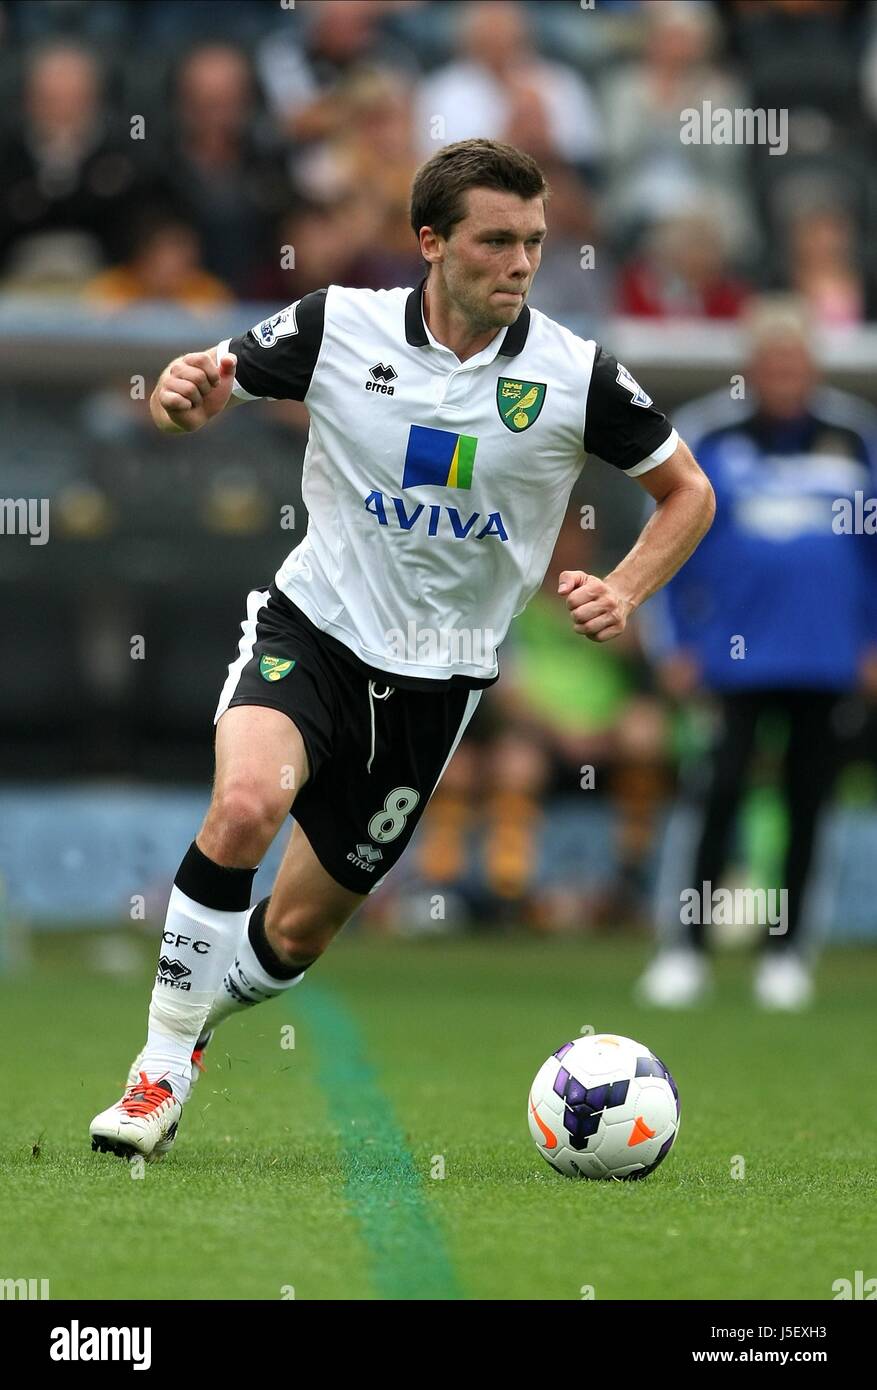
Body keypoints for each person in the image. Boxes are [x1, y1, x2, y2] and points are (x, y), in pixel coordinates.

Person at [89, 138, 714, 1163]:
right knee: (247, 804)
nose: (520, 263)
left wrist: (626, 586)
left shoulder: (574, 374)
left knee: (292, 936)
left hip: (438, 680)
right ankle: (155, 1073)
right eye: (496, 241)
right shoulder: (340, 322)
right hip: (314, 628)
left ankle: (189, 1023)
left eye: (535, 243)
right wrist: (177, 398)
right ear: (430, 242)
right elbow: (206, 387)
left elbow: (686, 491)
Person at [637, 297, 877, 1010]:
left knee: (811, 804)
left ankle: (787, 953)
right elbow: (667, 540)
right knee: (716, 797)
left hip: (827, 660)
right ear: (751, 367)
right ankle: (684, 950)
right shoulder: (710, 436)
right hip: (729, 661)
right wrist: (673, 643)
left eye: (794, 361)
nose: (781, 373)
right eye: (769, 361)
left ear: (810, 367)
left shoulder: (854, 439)